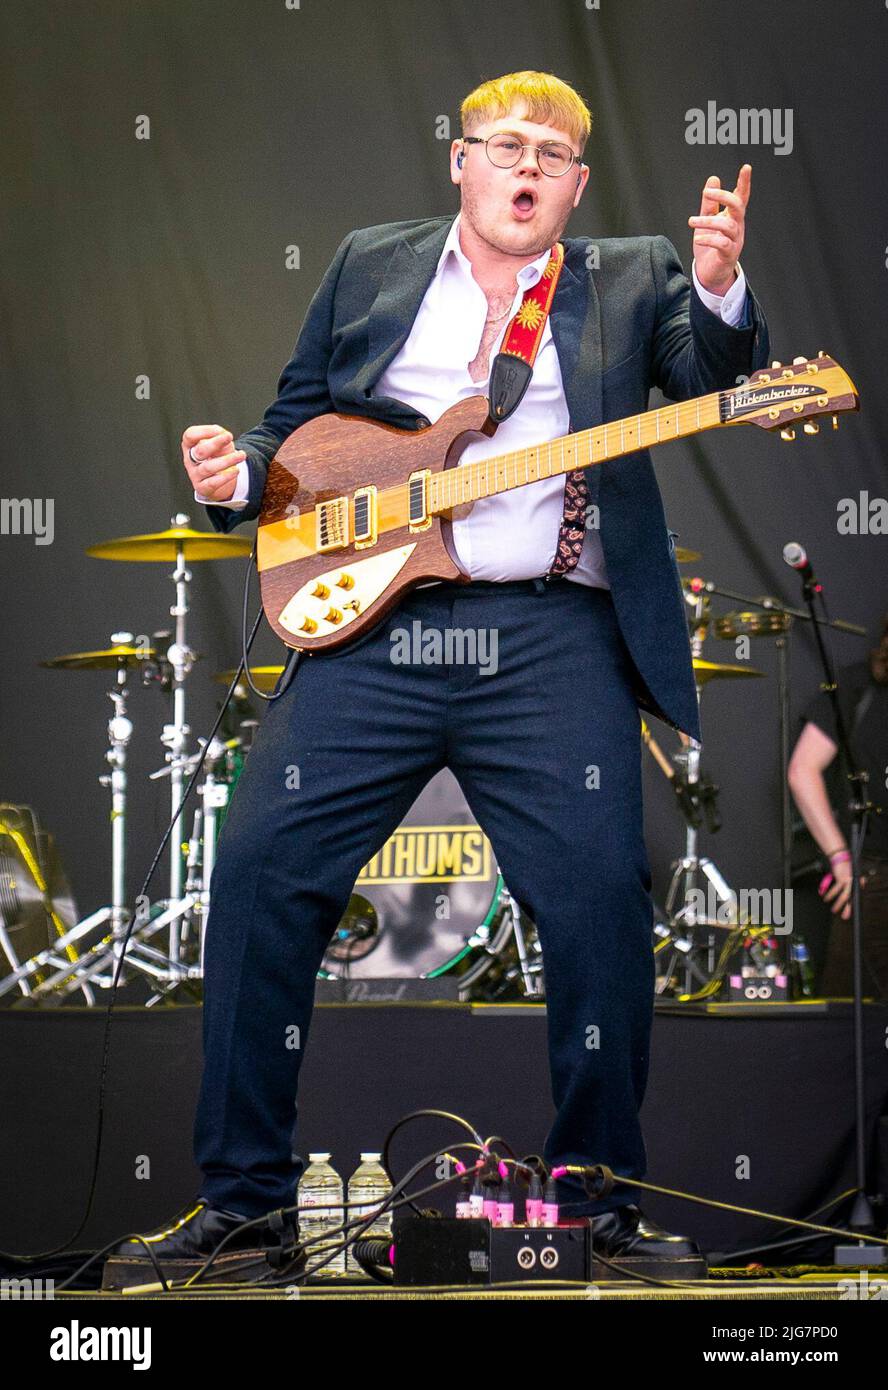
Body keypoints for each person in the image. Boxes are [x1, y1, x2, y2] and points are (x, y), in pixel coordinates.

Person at [108, 70, 769, 1283]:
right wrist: (237, 478)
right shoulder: (370, 261)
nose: (527, 166)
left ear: (575, 185)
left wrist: (720, 285)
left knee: (596, 905)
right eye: (505, 144)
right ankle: (246, 1211)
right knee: (257, 876)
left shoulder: (630, 277)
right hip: (379, 625)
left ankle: (594, 1212)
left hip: (550, 636)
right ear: (460, 161)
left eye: (554, 155)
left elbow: (712, 376)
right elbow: (292, 426)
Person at [788, 616, 888, 999]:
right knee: (846, 1027)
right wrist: (840, 857)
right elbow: (803, 770)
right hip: (872, 879)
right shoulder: (857, 687)